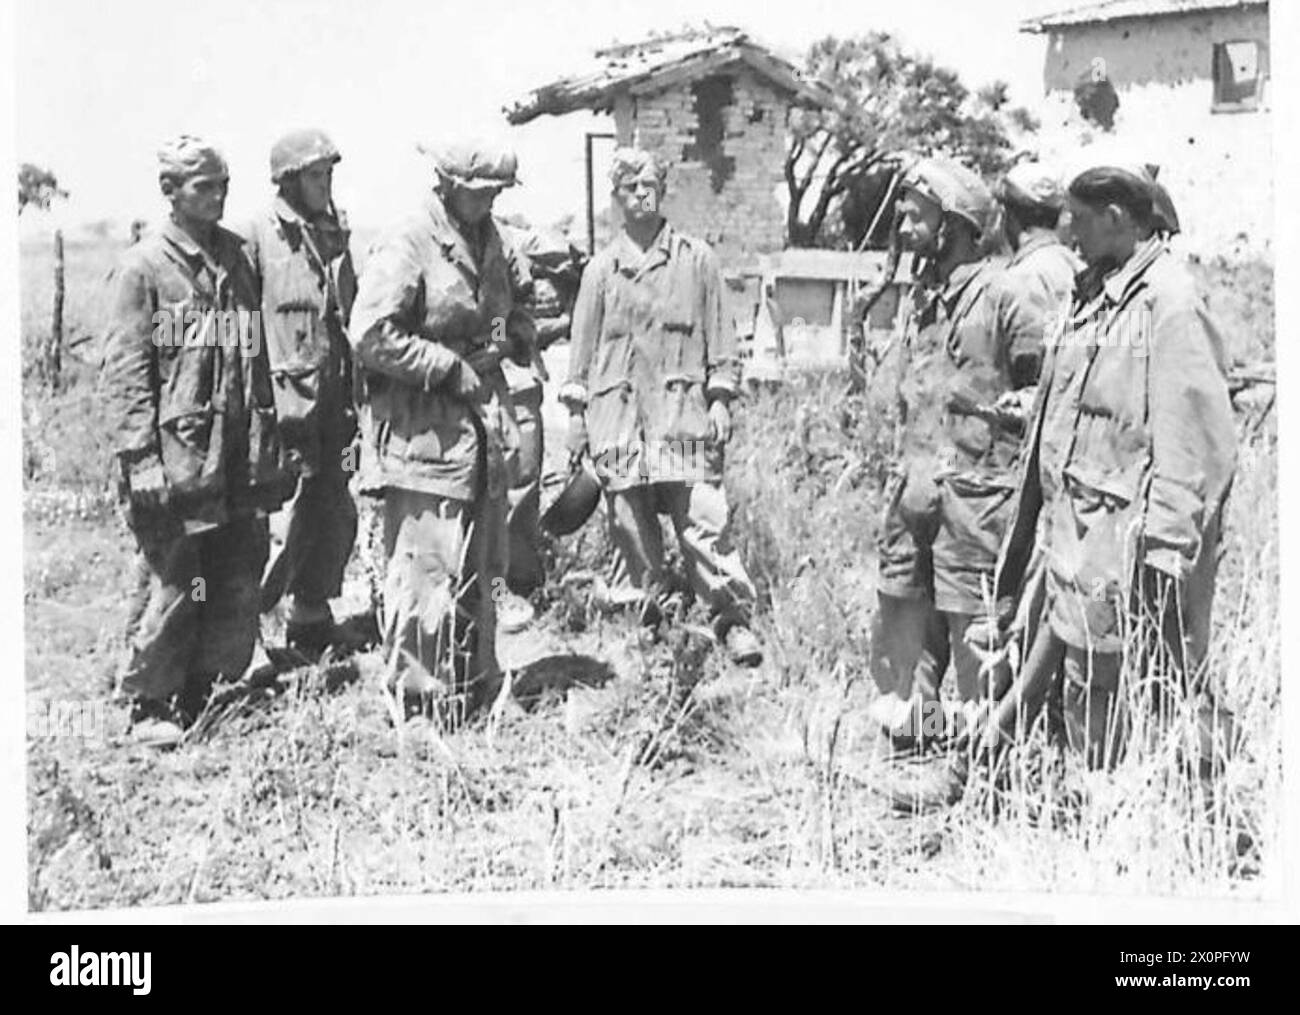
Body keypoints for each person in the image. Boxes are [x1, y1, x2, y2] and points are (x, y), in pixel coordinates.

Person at [890, 161, 1237, 812]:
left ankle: (1180, 818)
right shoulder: (1098, 291)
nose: (1063, 228)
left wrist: (1163, 550)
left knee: (1144, 686)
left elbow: (1197, 443)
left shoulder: (1171, 302)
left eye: (1076, 216)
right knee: (1034, 667)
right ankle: (986, 777)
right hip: (1070, 528)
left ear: (1117, 219)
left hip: (1124, 541)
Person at [102, 135, 293, 748]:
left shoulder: (237, 257)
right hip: (177, 455)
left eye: (223, 186)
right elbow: (127, 371)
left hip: (237, 449)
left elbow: (256, 354)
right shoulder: (144, 267)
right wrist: (140, 460)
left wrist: (272, 434)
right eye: (203, 186)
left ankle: (208, 685)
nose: (217, 196)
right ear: (170, 192)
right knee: (176, 575)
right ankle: (148, 699)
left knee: (238, 568)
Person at [349, 139, 535, 723]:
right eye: (479, 192)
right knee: (427, 573)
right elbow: (371, 333)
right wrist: (445, 366)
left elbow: (509, 305)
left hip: (481, 430)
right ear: (447, 184)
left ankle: (476, 687)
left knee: (484, 568)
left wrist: (510, 334)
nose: (488, 202)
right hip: (424, 434)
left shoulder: (495, 240)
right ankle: (416, 702)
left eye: (496, 194)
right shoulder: (409, 240)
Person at [867, 156, 1049, 751]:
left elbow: (1044, 389)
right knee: (905, 609)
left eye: (915, 214)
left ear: (955, 224)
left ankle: (980, 755)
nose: (901, 223)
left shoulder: (1006, 295)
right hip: (913, 487)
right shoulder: (922, 296)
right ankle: (915, 732)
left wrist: (999, 414)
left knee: (974, 622)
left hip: (976, 496)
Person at [561, 147, 761, 666]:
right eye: (630, 188)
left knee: (702, 522)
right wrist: (577, 422)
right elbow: (579, 358)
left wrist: (720, 400)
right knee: (630, 526)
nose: (641, 194)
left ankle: (730, 620)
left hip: (683, 414)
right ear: (616, 199)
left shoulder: (697, 261)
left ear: (663, 190)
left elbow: (723, 340)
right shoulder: (600, 271)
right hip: (619, 420)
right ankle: (660, 618)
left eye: (650, 184)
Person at [244, 128, 359, 657]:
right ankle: (243, 635)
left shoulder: (335, 232)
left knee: (330, 512)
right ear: (288, 180)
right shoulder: (257, 240)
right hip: (284, 407)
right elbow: (245, 332)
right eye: (316, 175)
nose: (326, 183)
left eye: (329, 173)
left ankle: (310, 617)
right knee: (279, 524)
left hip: (334, 404)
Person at [495, 224, 586, 631]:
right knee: (487, 492)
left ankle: (523, 580)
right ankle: (489, 587)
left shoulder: (511, 239)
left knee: (524, 485)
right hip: (478, 387)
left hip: (518, 383)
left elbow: (557, 253)